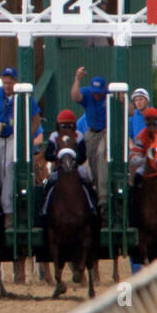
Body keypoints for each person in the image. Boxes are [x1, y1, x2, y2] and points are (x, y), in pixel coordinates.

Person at [0, 67, 42, 222]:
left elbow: (36, 118)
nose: (7, 86)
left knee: (9, 168)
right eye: (5, 82)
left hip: (15, 137)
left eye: (9, 82)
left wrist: (28, 135)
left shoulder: (24, 96)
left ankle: (8, 210)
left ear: (15, 82)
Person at [40, 109, 100, 220]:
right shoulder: (54, 136)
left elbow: (83, 156)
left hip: (76, 167)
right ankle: (44, 207)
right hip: (58, 168)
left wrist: (73, 161)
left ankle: (92, 205)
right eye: (63, 126)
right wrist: (59, 158)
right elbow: (48, 155)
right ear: (58, 126)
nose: (66, 129)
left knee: (86, 180)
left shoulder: (79, 136)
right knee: (49, 183)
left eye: (69, 126)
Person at [70, 68, 109, 202]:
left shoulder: (110, 94)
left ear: (104, 90)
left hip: (106, 131)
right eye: (95, 92)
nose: (96, 95)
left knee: (101, 153)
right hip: (91, 131)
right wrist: (77, 79)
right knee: (92, 160)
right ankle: (97, 189)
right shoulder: (87, 93)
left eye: (99, 93)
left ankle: (103, 195)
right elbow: (75, 96)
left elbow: (130, 111)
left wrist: (121, 97)